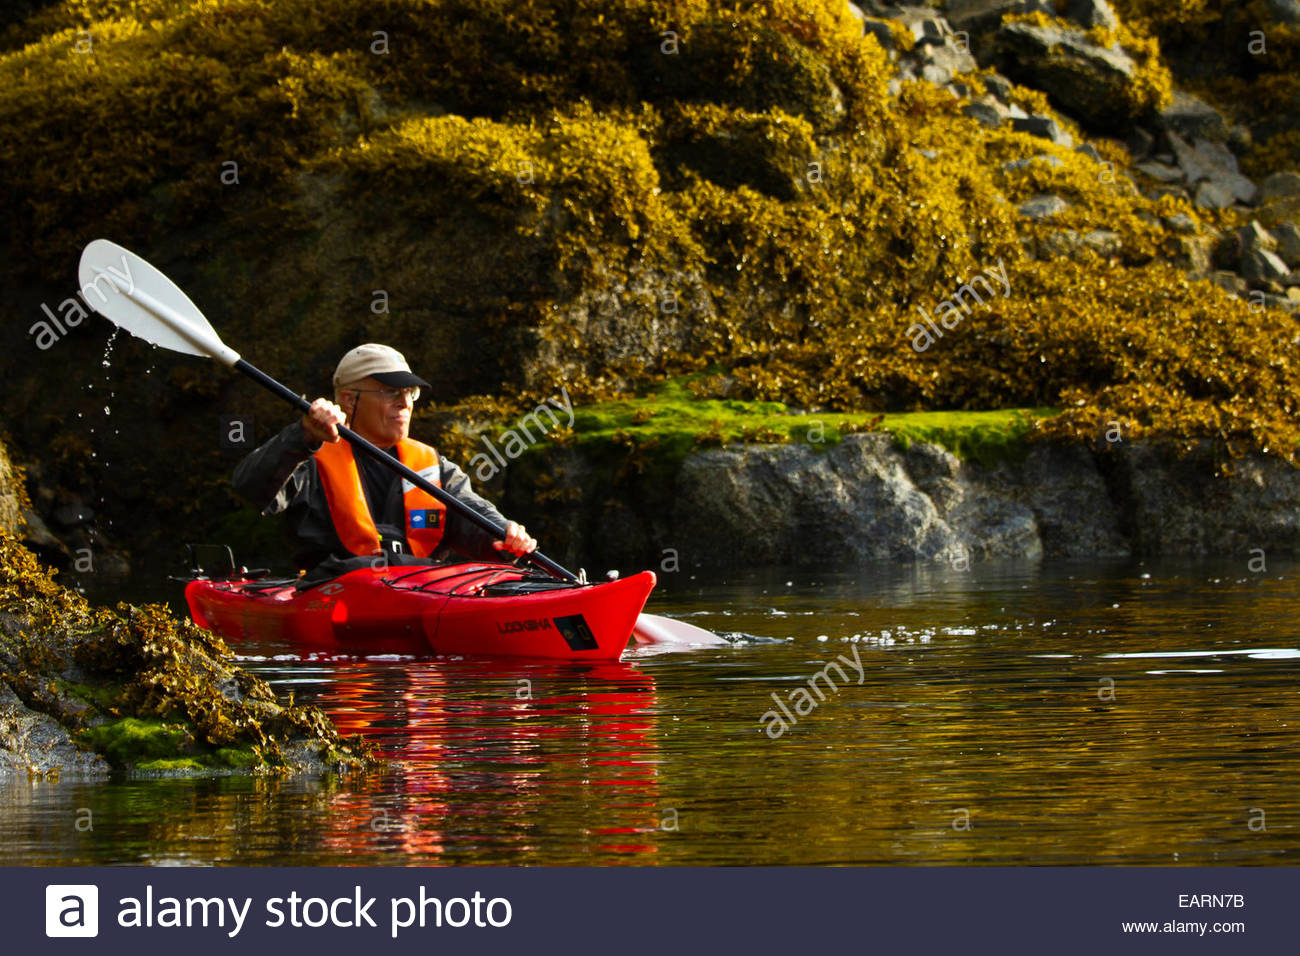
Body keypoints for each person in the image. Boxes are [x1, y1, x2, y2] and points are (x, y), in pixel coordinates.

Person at [233, 343, 536, 585]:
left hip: (422, 590)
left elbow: (473, 514)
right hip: (336, 591)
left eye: (409, 393)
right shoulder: (308, 456)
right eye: (391, 392)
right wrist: (301, 436)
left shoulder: (434, 466)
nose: (405, 403)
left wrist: (505, 534)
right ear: (349, 400)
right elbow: (251, 487)